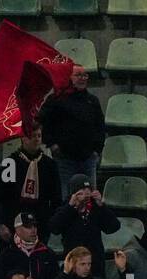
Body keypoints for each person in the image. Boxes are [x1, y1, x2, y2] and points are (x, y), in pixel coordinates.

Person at [37, 64, 105, 198]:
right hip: (64, 159)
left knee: (89, 197)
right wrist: (52, 144)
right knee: (66, 197)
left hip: (88, 159)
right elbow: (43, 121)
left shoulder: (92, 101)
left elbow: (100, 126)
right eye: (78, 75)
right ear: (69, 78)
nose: (82, 78)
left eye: (85, 75)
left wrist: (97, 149)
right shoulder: (56, 99)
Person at [0, 124, 60, 238]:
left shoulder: (50, 164)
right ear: (23, 138)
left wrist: (52, 222)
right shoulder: (10, 163)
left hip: (40, 222)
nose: (37, 139)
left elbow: (56, 197)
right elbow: (0, 197)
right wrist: (1, 224)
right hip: (13, 222)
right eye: (33, 136)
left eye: (39, 135)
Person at [49, 174, 119, 278]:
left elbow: (113, 227)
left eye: (88, 189)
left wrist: (101, 205)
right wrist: (70, 207)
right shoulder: (66, 208)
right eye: (82, 189)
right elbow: (54, 228)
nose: (86, 193)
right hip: (74, 263)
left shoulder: (96, 207)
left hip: (95, 263)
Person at [0, 213, 58, 279]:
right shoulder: (6, 255)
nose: (33, 230)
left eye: (34, 226)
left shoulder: (47, 253)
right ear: (17, 229)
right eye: (28, 227)